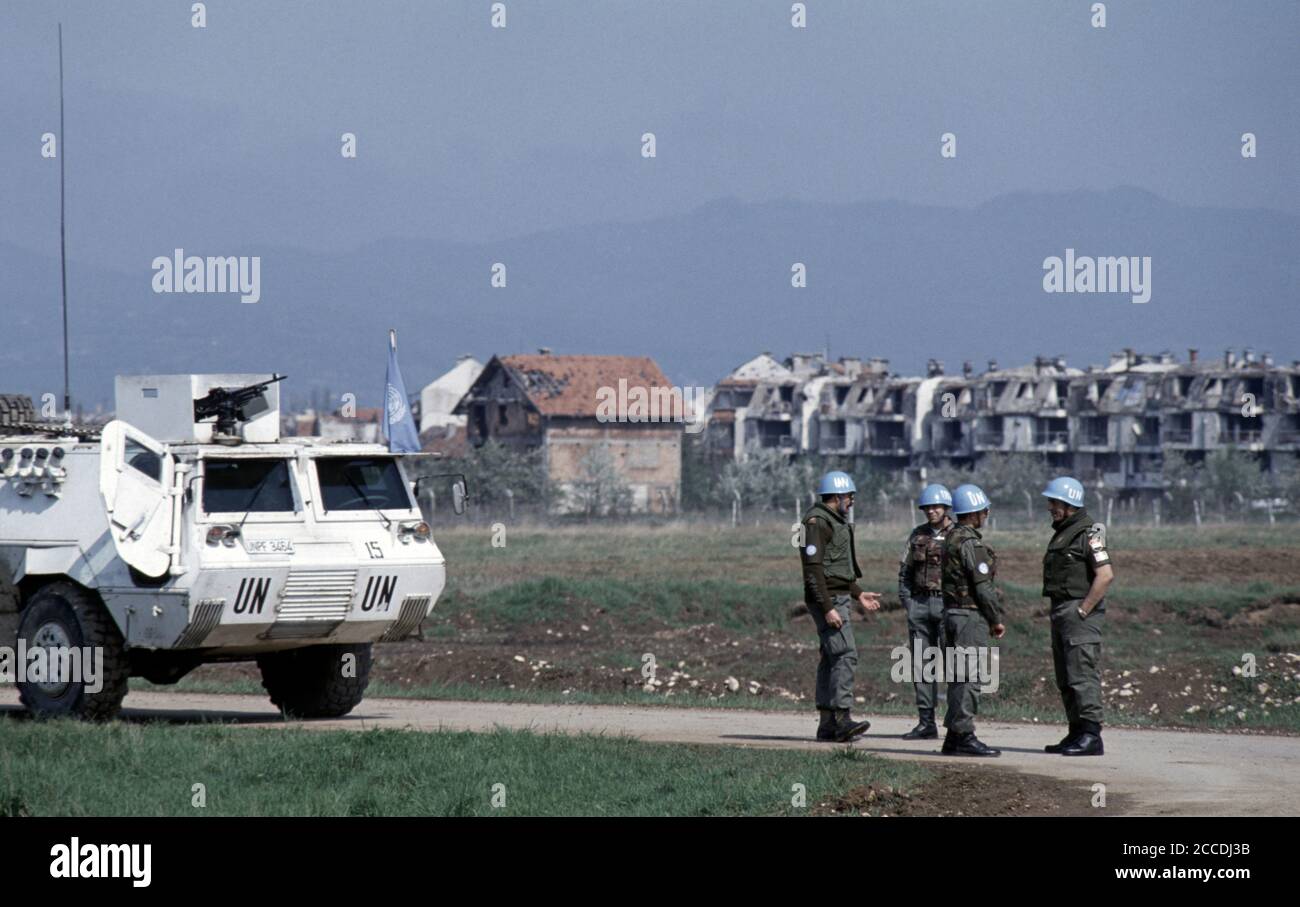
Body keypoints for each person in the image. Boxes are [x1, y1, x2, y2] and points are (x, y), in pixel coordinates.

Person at [799, 470, 882, 742]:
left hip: (837, 596)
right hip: (829, 601)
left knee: (832, 657)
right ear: (837, 496)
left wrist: (857, 594)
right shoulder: (816, 523)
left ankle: (827, 724)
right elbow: (813, 570)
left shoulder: (833, 521)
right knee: (846, 654)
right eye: (849, 496)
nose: (852, 501)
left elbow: (836, 569)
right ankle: (842, 719)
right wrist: (827, 608)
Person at [1040, 476, 1114, 757]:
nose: (1050, 507)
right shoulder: (1063, 531)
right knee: (1066, 676)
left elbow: (1105, 575)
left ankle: (1091, 735)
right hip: (1062, 610)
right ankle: (1076, 731)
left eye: (1054, 502)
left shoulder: (1089, 533)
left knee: (1082, 675)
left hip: (1078, 611)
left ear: (1068, 503)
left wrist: (1084, 609)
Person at [939, 483, 1005, 757]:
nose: (986, 516)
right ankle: (964, 735)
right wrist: (995, 618)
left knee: (957, 677)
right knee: (969, 677)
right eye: (984, 511)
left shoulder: (949, 538)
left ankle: (954, 735)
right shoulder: (970, 544)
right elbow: (982, 587)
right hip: (968, 617)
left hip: (949, 614)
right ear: (975, 513)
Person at [897, 483, 953, 739]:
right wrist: (909, 603)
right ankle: (926, 722)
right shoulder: (916, 535)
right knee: (922, 665)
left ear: (946, 508)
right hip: (920, 604)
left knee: (954, 664)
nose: (931, 511)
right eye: (927, 507)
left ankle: (957, 722)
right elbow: (904, 572)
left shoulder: (957, 534)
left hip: (946, 605)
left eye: (936, 507)